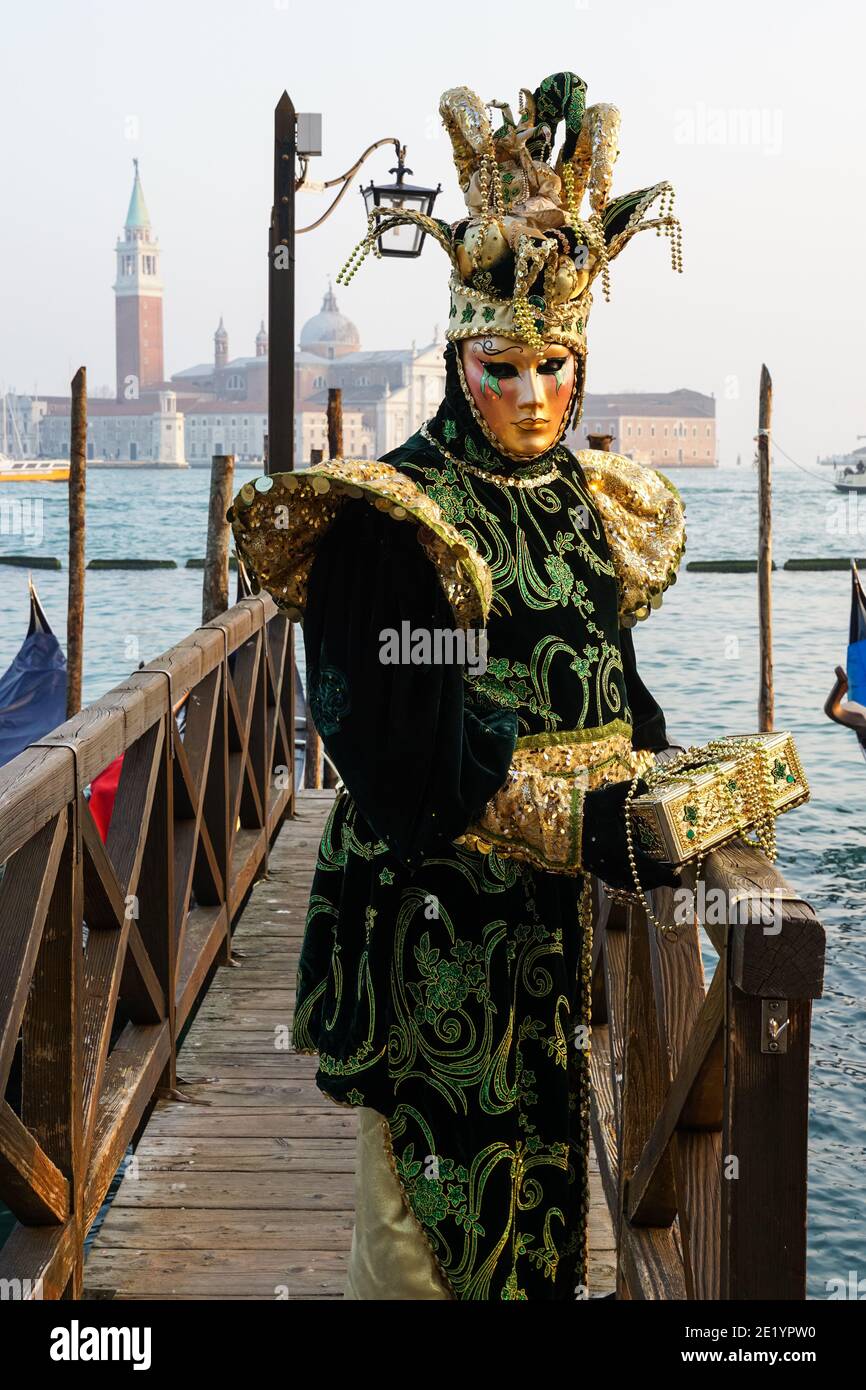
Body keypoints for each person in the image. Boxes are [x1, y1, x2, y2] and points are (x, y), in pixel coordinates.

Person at [230, 72, 685, 1301]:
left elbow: (610, 689)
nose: (534, 396)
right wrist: (574, 818)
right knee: (426, 1244)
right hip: (428, 935)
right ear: (454, 354)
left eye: (555, 364)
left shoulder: (583, 504)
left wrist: (672, 795)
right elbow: (391, 736)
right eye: (503, 366)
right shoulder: (398, 525)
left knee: (538, 1216)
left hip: (544, 949)